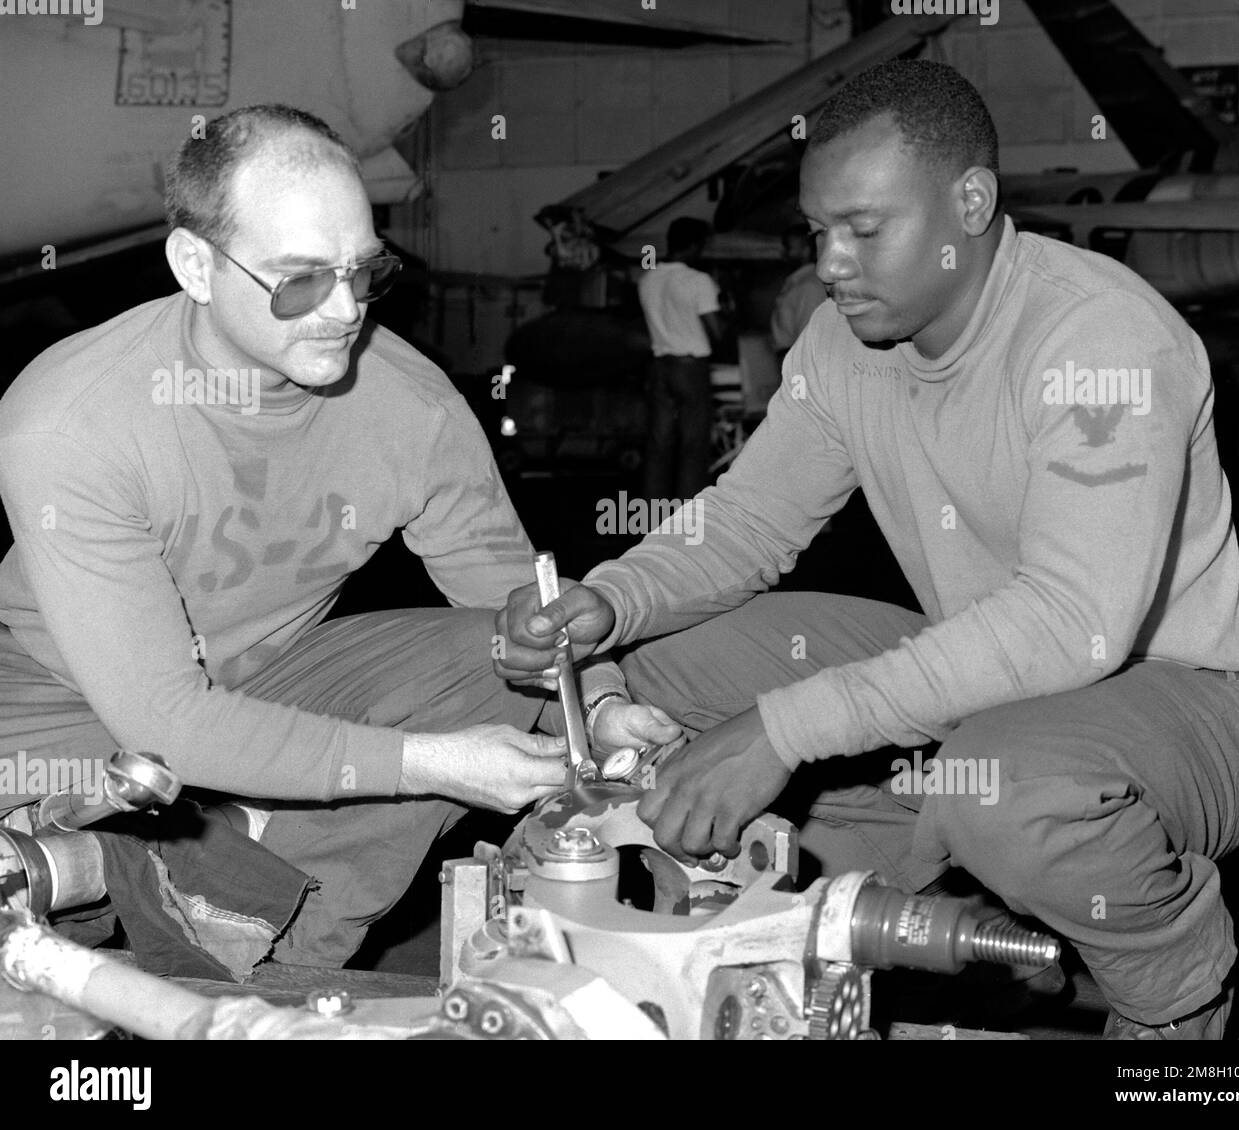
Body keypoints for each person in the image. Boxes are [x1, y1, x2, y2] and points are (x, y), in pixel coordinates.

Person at [493, 60, 1239, 1040]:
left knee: (1013, 786)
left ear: (969, 202)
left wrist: (780, 729)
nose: (829, 262)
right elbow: (747, 521)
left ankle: (1177, 1001)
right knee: (646, 672)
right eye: (817, 231)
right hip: (987, 675)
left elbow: (1072, 626)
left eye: (864, 231)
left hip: (1180, 696)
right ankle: (957, 919)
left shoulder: (1099, 337)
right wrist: (609, 601)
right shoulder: (839, 344)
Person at [0, 104, 678, 968]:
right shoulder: (70, 422)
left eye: (365, 271)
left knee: (496, 660)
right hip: (60, 702)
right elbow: (163, 720)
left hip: (266, 687)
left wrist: (604, 705)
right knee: (42, 878)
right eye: (301, 280)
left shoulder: (409, 404)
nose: (345, 310)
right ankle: (140, 873)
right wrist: (431, 764)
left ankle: (274, 965)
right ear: (194, 264)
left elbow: (514, 599)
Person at [637, 216, 725, 500]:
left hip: (659, 366)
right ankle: (688, 518)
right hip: (690, 369)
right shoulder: (699, 281)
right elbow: (717, 332)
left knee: (658, 445)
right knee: (693, 446)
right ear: (693, 246)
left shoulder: (647, 279)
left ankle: (652, 518)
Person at [769, 222, 827, 360]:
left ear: (806, 251)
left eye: (789, 248)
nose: (784, 254)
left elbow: (808, 337)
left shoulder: (810, 285)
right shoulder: (799, 282)